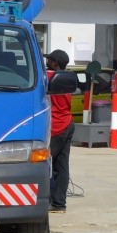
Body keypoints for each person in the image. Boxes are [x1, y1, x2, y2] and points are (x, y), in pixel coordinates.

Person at [44, 49, 74, 212]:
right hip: (67, 123)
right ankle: (59, 203)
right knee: (62, 166)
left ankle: (45, 200)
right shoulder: (68, 78)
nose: (47, 62)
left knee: (44, 165)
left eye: (49, 59)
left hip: (55, 126)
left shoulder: (48, 76)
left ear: (55, 62)